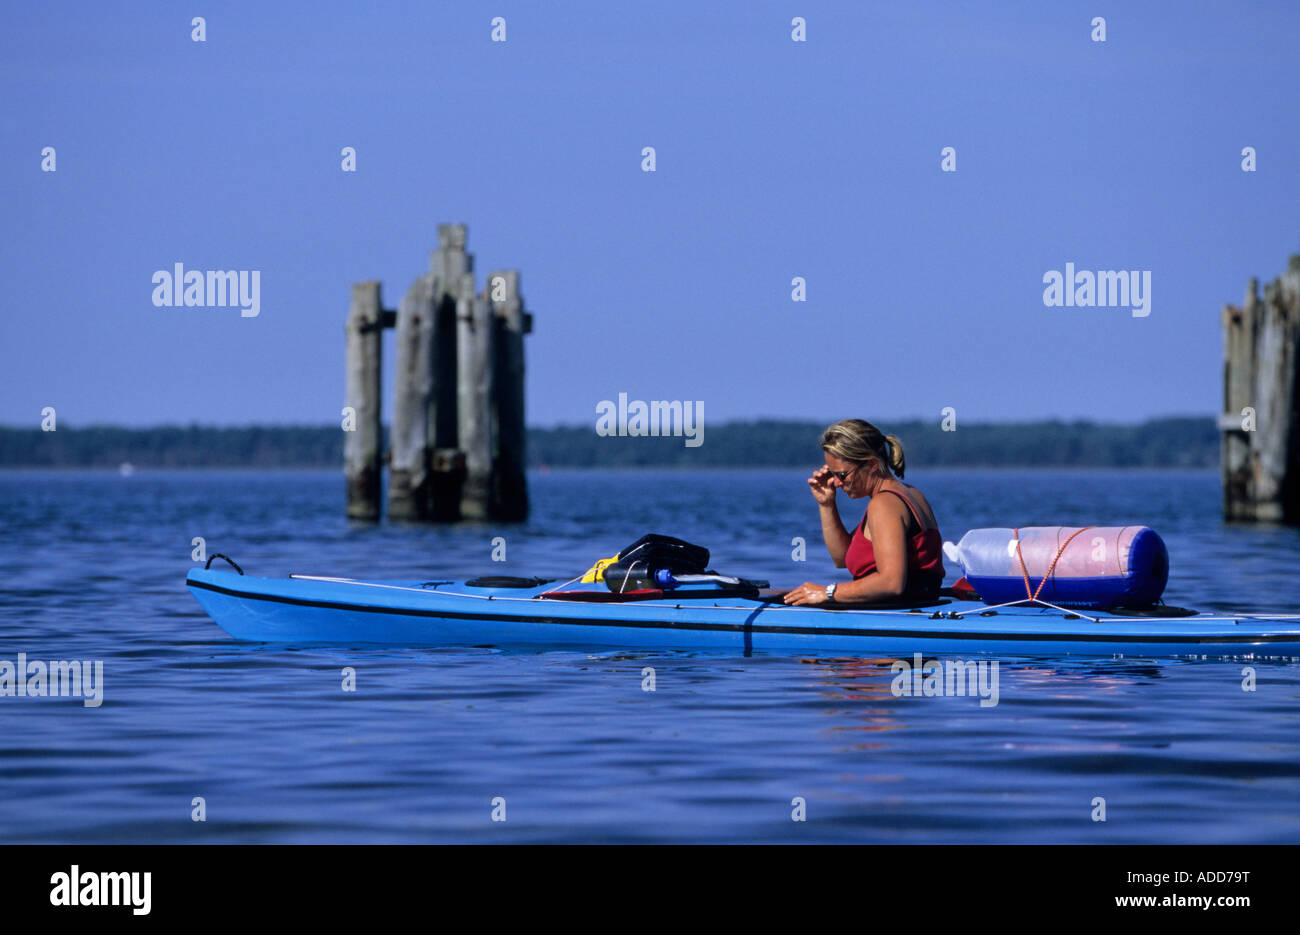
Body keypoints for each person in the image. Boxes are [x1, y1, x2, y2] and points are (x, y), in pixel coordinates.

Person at [784, 419, 944, 605]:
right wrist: (827, 505)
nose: (835, 482)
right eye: (832, 474)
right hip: (915, 603)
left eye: (842, 475)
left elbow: (891, 583)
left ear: (872, 464)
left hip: (899, 613)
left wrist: (827, 592)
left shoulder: (884, 505)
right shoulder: (911, 493)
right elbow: (843, 559)